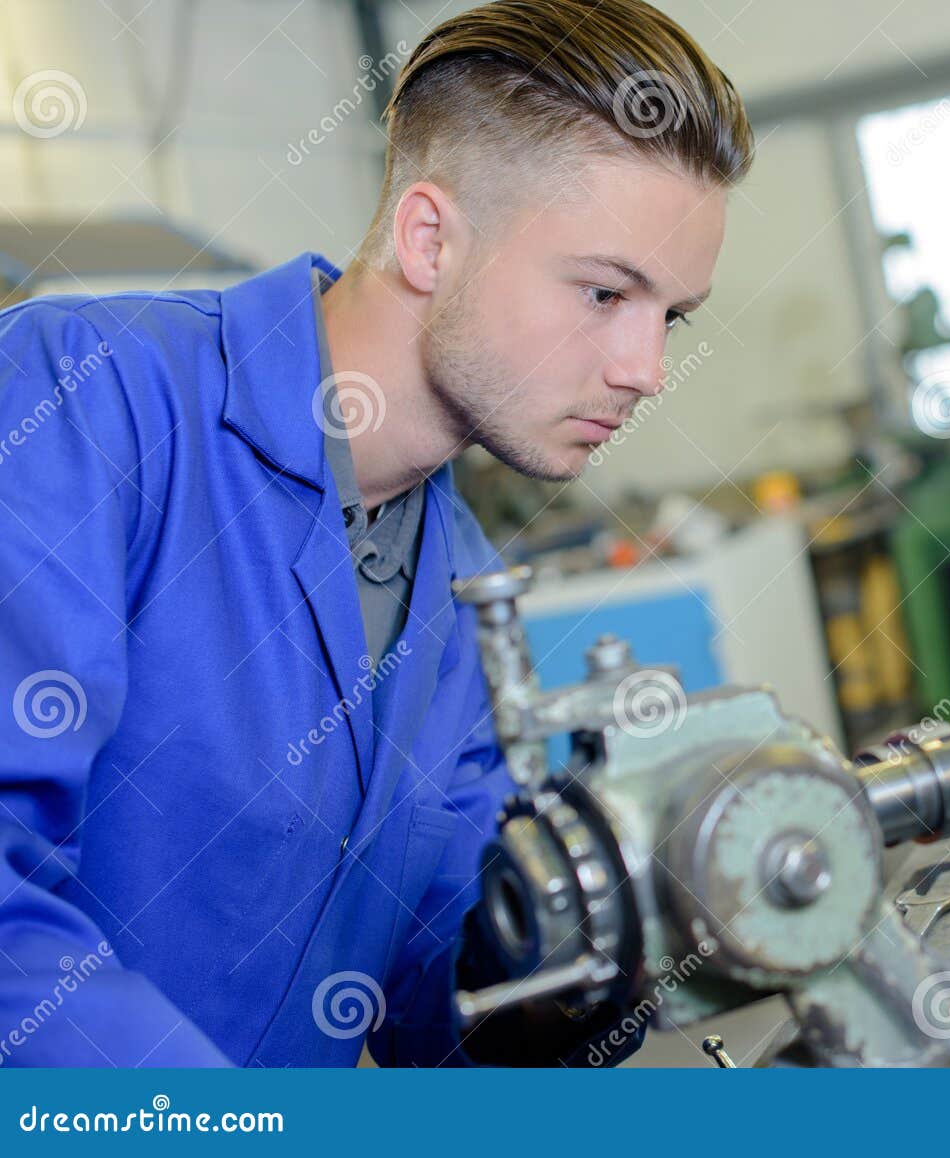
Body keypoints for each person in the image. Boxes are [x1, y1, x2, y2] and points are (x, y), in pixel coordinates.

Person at [0, 0, 751, 1067]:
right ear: (429, 238)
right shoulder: (84, 403)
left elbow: (441, 1000)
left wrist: (615, 947)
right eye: (602, 291)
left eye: (668, 314)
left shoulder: (461, 593)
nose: (644, 369)